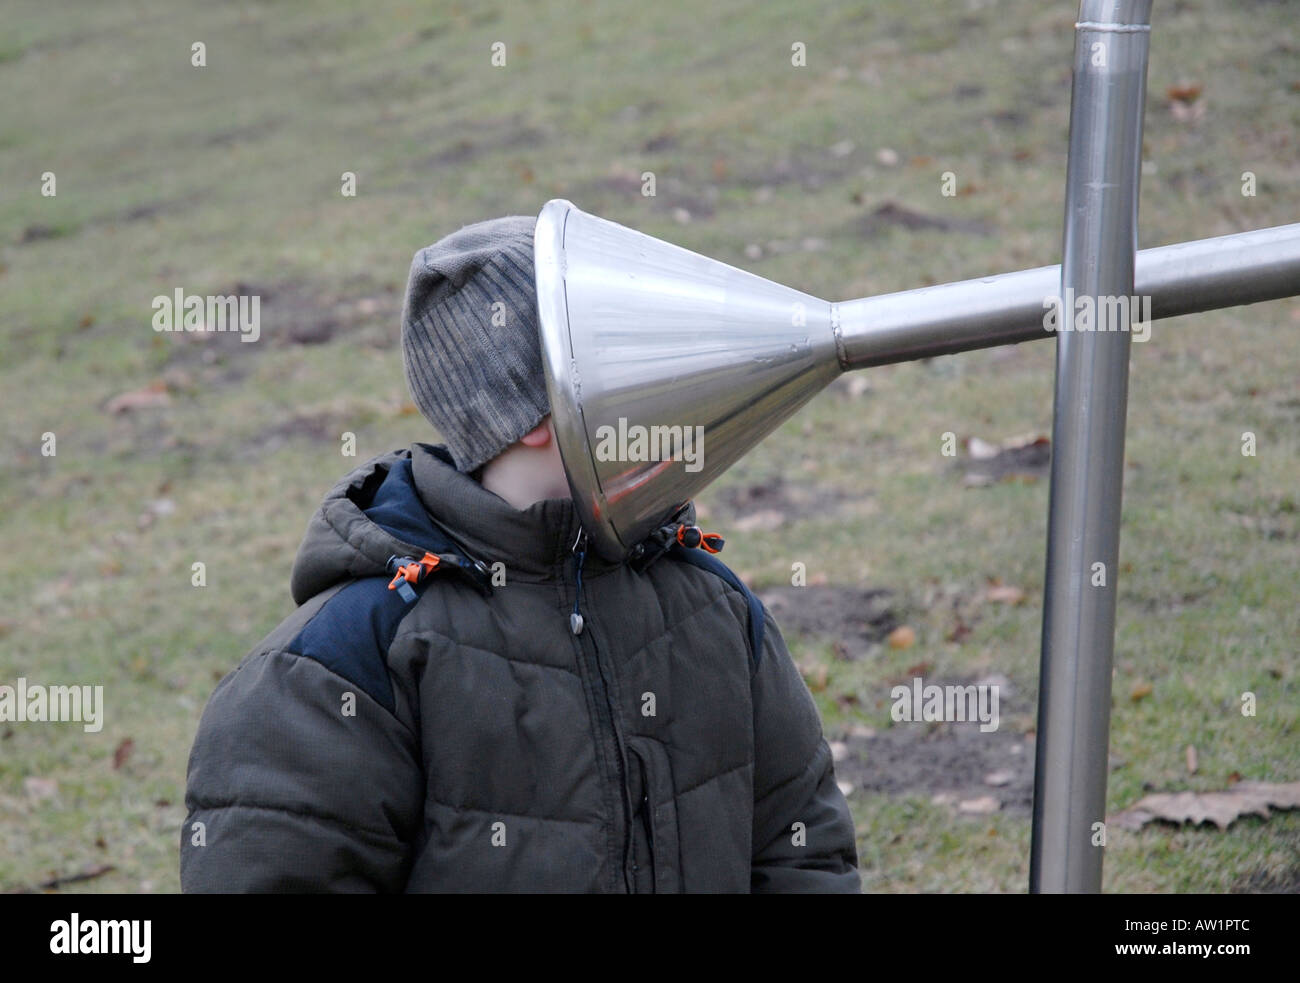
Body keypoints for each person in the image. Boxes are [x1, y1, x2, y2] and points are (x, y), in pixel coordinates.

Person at [181, 214, 860, 892]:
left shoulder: (711, 607)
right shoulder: (342, 667)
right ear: (540, 414)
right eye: (632, 356)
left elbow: (802, 845)